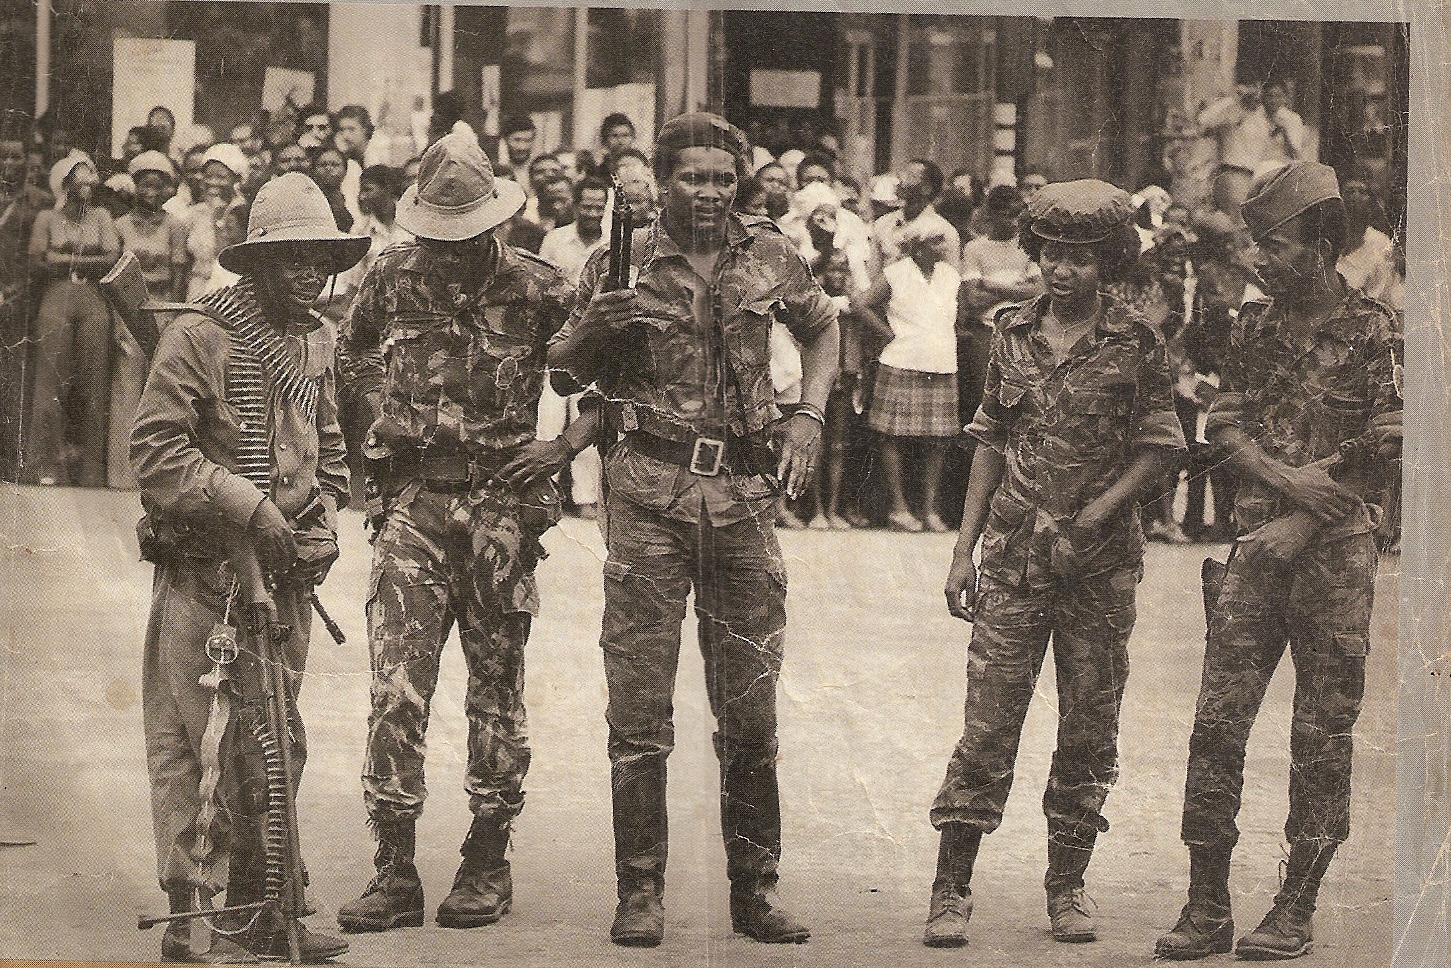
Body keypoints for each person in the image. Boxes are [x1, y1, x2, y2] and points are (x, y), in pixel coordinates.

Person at [548, 111, 839, 948]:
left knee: (748, 711)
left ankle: (753, 891)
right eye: (692, 177)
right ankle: (639, 890)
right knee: (639, 711)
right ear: (662, 181)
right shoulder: (619, 259)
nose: (709, 193)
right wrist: (593, 330)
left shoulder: (769, 253)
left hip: (744, 500)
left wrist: (809, 416)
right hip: (647, 499)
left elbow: (821, 326)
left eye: (721, 177)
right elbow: (565, 368)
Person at [928, 180, 1185, 948]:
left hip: (1098, 570)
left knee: (1087, 729)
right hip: (1011, 562)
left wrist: (1093, 518)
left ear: (1107, 264)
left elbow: (1158, 448)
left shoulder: (1136, 345)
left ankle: (1067, 886)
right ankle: (950, 888)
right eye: (1051, 255)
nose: (1063, 271)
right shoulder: (1009, 333)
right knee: (987, 726)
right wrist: (961, 549)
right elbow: (988, 440)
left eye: (1080, 258)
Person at [1154, 162, 1401, 961]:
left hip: (1333, 557)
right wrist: (1284, 480)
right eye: (1257, 242)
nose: (1260, 258)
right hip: (1251, 551)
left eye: (1276, 244)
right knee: (1215, 726)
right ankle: (1204, 905)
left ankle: (1294, 905)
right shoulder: (1251, 327)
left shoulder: (1375, 332)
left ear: (1323, 243)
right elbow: (1222, 427)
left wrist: (1302, 518)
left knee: (1321, 734)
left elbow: (1392, 440)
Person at [334, 132, 576, 934]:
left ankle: (486, 857)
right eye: (437, 234)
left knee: (494, 690)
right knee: (395, 688)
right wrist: (381, 422)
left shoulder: (540, 287)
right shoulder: (389, 274)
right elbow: (350, 354)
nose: (447, 251)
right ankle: (394, 868)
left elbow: (606, 372)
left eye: (463, 234)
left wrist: (561, 446)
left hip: (501, 508)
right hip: (414, 502)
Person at [130, 171, 364, 964]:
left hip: (285, 578)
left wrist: (325, 519)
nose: (308, 272)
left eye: (319, 257)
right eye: (291, 255)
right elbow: (157, 452)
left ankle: (263, 907)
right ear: (255, 263)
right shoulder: (202, 334)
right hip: (211, 570)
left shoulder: (315, 338)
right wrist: (251, 508)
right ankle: (191, 916)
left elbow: (329, 444)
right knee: (199, 744)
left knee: (275, 741)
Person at [24, 152, 121, 486]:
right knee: (50, 379)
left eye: (91, 180)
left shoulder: (102, 216)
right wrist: (82, 258)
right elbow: (39, 259)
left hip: (92, 298)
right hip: (58, 296)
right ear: (65, 183)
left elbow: (111, 258)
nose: (88, 186)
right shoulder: (46, 218)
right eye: (81, 180)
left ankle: (92, 469)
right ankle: (45, 465)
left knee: (95, 380)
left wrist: (63, 257)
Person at [859, 225, 962, 532]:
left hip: (942, 362)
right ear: (917, 248)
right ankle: (900, 508)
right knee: (891, 436)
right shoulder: (895, 273)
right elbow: (862, 303)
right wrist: (888, 334)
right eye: (935, 242)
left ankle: (929, 510)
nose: (942, 248)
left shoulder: (951, 276)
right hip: (900, 360)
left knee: (939, 439)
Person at [112, 151, 190, 488]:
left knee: (160, 389)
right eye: (145, 185)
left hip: (162, 308)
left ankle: (158, 474)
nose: (151, 193)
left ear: (168, 189)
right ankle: (122, 474)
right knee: (127, 385)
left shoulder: (176, 226)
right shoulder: (120, 225)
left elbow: (178, 275)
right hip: (128, 310)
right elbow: (112, 275)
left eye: (159, 186)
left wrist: (174, 317)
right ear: (135, 186)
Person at [1200, 81, 1305, 222]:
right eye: (1268, 96)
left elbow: (1294, 153)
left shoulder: (1282, 119)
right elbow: (1204, 120)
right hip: (1236, 173)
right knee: (1238, 220)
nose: (1272, 100)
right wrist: (1234, 99)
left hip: (1264, 179)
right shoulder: (1239, 113)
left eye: (1277, 96)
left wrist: (1284, 131)